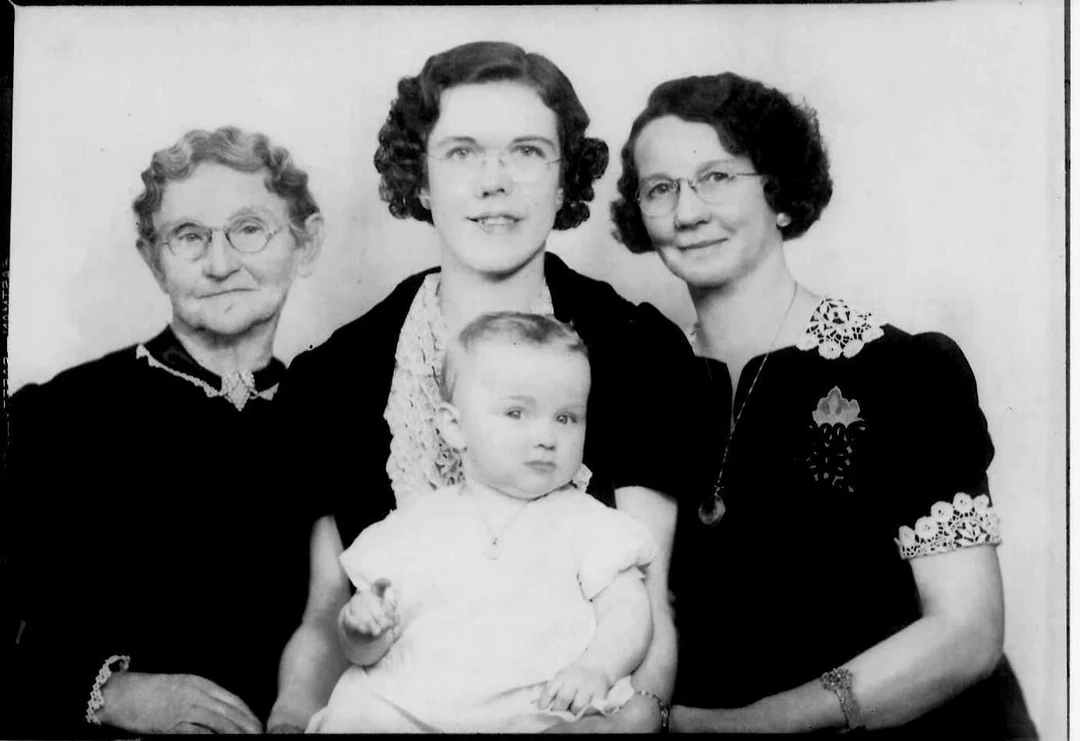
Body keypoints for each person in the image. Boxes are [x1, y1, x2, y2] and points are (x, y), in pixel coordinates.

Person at [268, 41, 702, 733]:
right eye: (462, 152)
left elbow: (649, 601)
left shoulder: (637, 348)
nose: (493, 181)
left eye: (527, 152)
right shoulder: (335, 374)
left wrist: (631, 725)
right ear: (421, 180)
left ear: (564, 183)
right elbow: (327, 613)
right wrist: (292, 719)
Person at [611, 72, 1037, 738]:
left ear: (779, 195)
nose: (687, 211)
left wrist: (760, 723)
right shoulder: (639, 380)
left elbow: (969, 631)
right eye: (660, 188)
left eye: (717, 177)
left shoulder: (906, 371)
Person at [4, 126, 323, 736]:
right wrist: (108, 693)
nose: (221, 262)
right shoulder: (58, 417)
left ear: (305, 245)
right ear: (153, 260)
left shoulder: (330, 415)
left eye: (249, 228)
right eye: (188, 237)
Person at [306, 312, 656, 733]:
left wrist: (597, 668)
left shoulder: (585, 523)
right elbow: (364, 653)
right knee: (360, 708)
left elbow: (629, 612)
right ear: (454, 428)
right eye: (516, 413)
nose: (546, 436)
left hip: (534, 705)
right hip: (416, 703)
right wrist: (362, 629)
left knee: (602, 723)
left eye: (565, 418)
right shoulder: (417, 525)